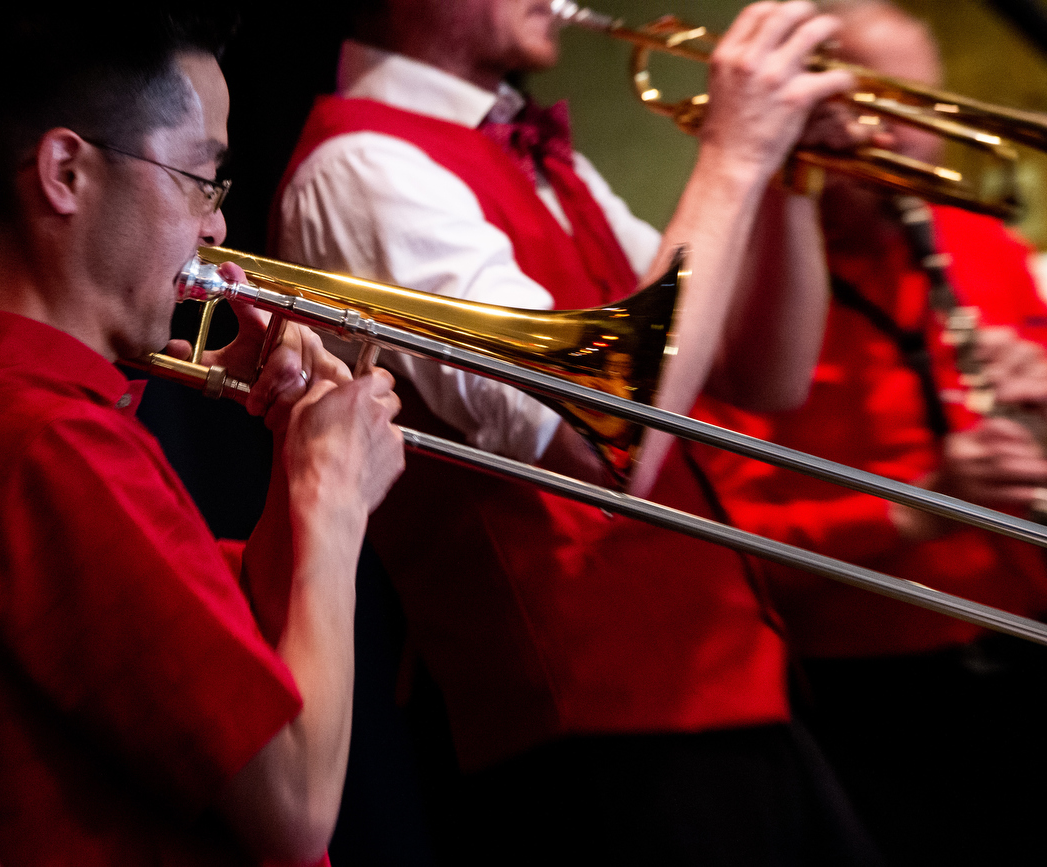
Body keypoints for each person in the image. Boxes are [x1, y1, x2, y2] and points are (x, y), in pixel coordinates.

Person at [275, 1, 883, 863]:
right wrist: (734, 155)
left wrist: (788, 176)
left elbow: (763, 371)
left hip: (734, 689)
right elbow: (606, 437)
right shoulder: (361, 165)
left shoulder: (528, 148)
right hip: (593, 736)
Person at [0, 10, 406, 867]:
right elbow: (295, 804)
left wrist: (299, 460)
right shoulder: (41, 445)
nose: (217, 229)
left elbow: (250, 684)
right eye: (200, 179)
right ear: (66, 172)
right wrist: (333, 500)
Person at [694, 2, 1047, 863]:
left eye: (927, 107)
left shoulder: (981, 240)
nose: (913, 141)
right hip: (876, 691)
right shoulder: (740, 293)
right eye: (885, 106)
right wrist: (912, 509)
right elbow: (730, 543)